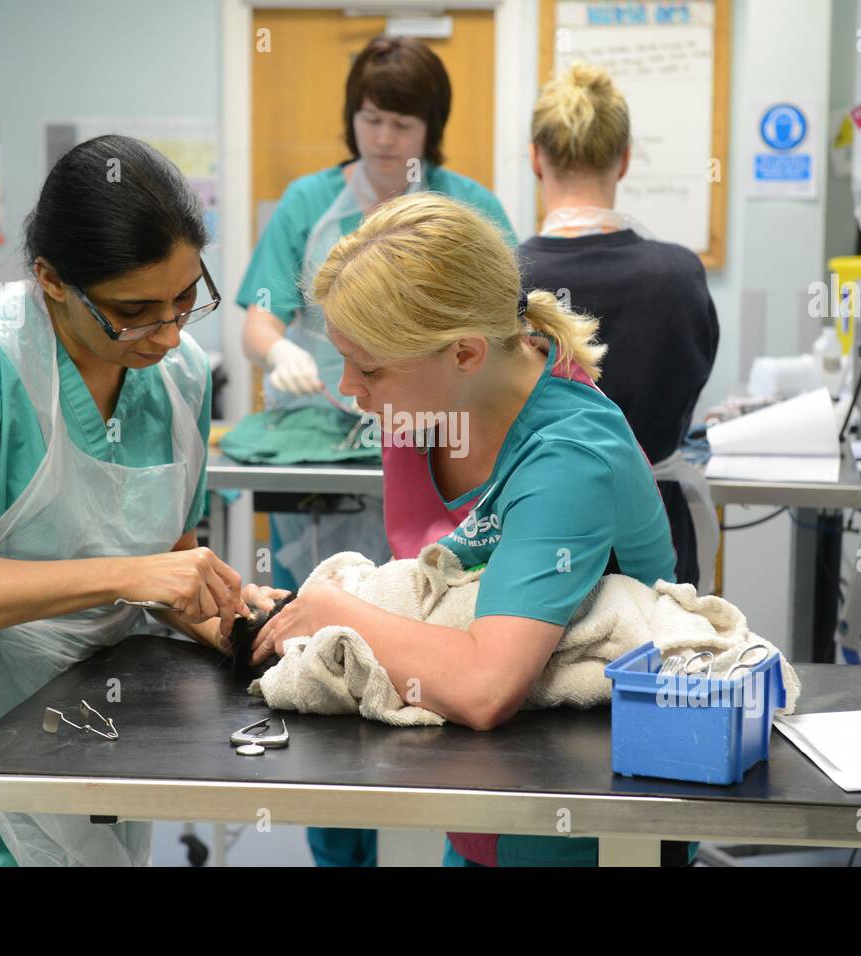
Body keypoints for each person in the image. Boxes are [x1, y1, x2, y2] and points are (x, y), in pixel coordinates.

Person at [0, 135, 275, 866]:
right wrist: (127, 575)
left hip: (89, 748)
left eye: (186, 298)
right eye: (134, 311)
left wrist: (232, 610)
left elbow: (166, 555)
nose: (165, 335)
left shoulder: (180, 377)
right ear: (52, 279)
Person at [249, 192, 679, 866]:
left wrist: (337, 610)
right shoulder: (417, 415)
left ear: (466, 353)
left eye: (368, 367)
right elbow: (431, 593)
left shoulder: (570, 455)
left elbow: (485, 686)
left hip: (586, 811)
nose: (348, 389)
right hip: (478, 796)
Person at [236, 34, 515, 867]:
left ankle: (466, 841)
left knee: (449, 654)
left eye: (401, 122)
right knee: (330, 660)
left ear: (432, 128)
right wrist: (276, 352)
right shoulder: (309, 205)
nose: (383, 138)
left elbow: (505, 332)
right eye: (369, 118)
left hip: (439, 448)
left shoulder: (469, 208)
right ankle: (340, 852)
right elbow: (261, 313)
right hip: (323, 441)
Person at [519, 62, 719, 589]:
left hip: (535, 548)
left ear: (536, 159)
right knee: (658, 667)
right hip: (656, 549)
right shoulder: (680, 276)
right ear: (625, 160)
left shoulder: (503, 281)